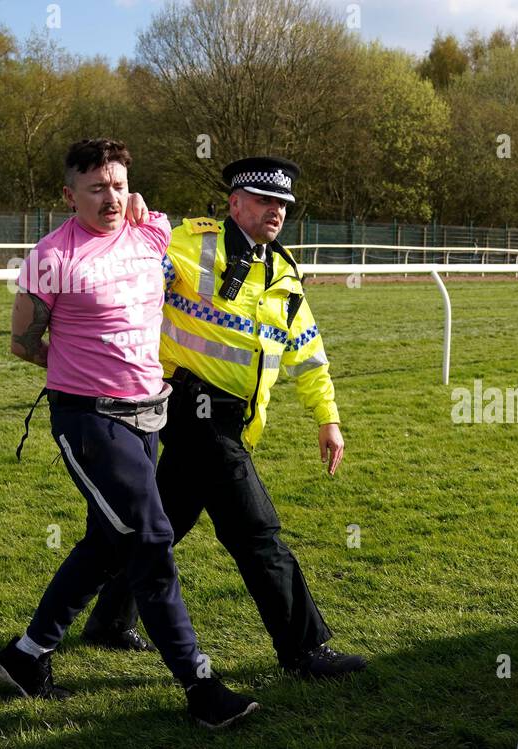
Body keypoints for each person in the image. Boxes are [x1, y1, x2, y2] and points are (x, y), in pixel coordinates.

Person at [0, 137, 259, 729]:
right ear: (70, 195)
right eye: (96, 189)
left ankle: (26, 656)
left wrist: (142, 206)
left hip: (149, 416)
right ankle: (200, 686)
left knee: (106, 541)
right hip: (88, 420)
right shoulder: (51, 257)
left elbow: (168, 224)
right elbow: (22, 343)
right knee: (150, 539)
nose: (110, 198)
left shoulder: (150, 231)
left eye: (118, 185)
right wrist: (77, 369)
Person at [81, 155, 367, 680]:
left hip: (234, 423)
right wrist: (130, 218)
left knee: (158, 527)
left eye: (282, 204)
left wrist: (327, 417)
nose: (275, 211)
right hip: (195, 413)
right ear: (234, 203)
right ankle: (304, 651)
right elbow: (128, 269)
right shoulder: (192, 243)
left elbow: (307, 351)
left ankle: (107, 620)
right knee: (258, 534)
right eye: (263, 200)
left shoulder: (283, 270)